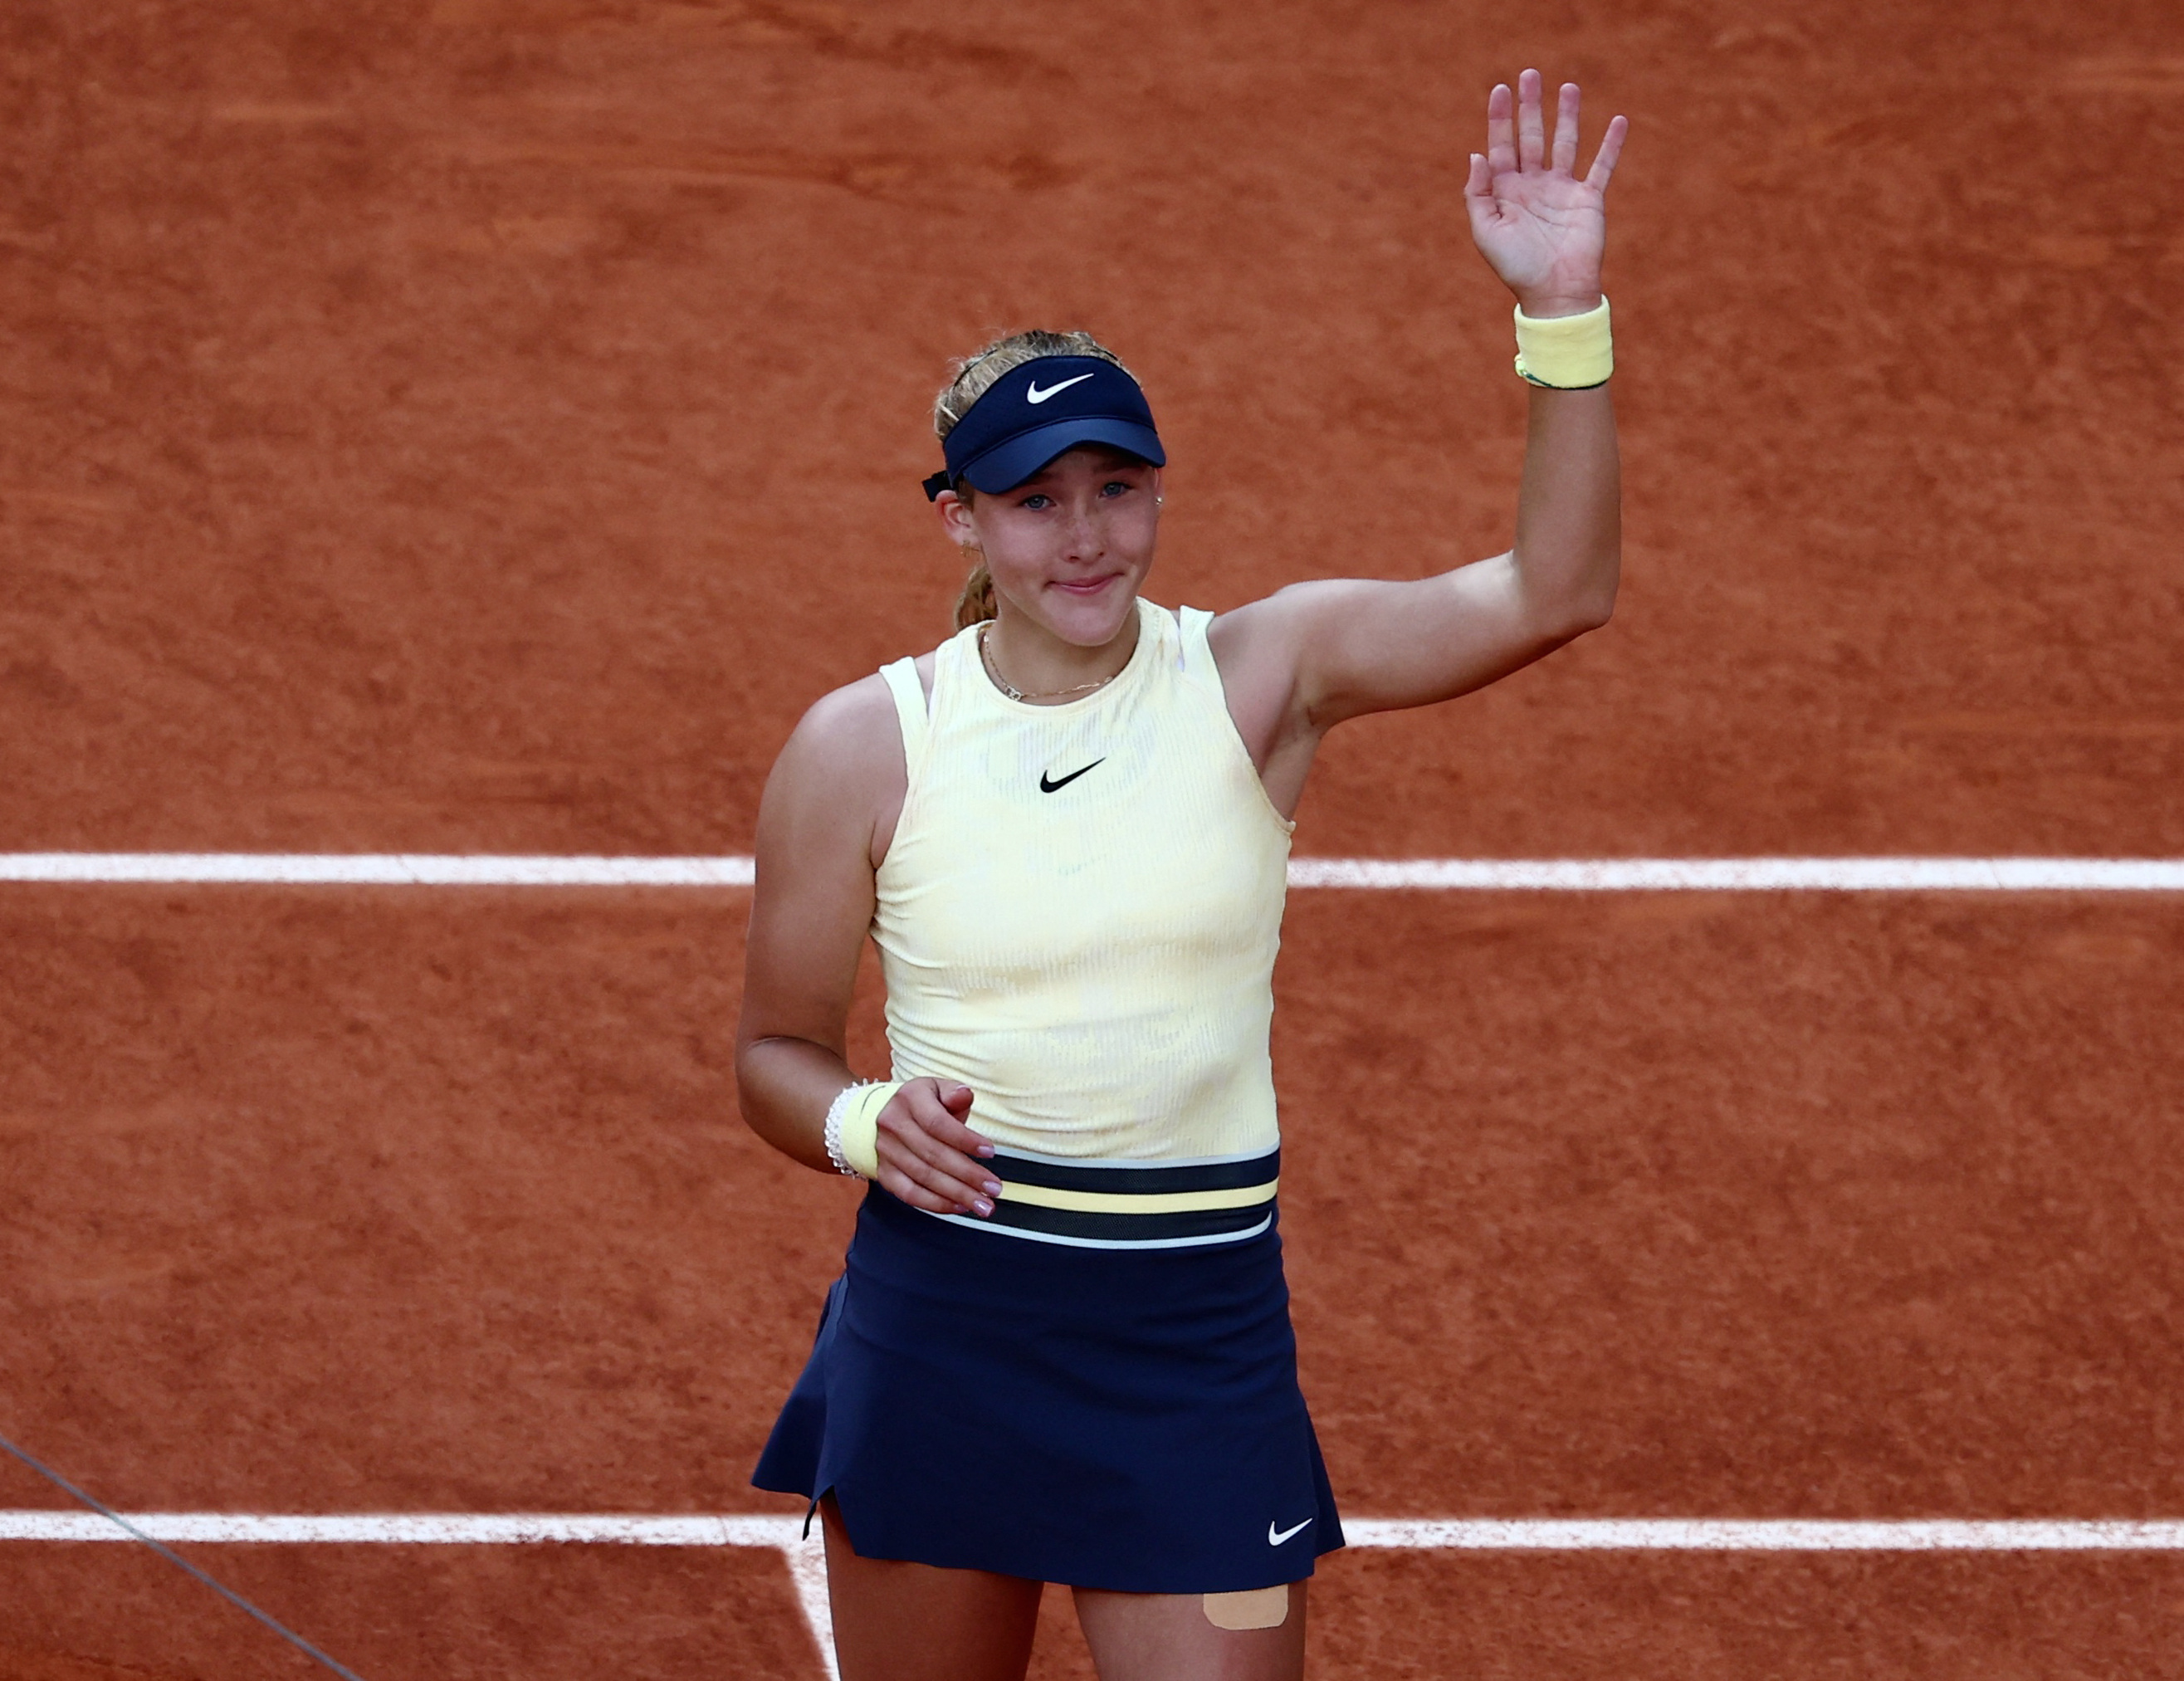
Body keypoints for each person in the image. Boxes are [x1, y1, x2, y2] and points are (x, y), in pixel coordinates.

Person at [737, 70, 1628, 1681]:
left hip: (1189, 1355)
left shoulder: (1257, 674)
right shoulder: (862, 746)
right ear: (959, 521)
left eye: (1115, 489)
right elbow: (770, 1053)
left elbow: (1552, 588)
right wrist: (864, 1120)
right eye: (1033, 502)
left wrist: (1559, 315)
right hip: (947, 1332)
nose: (1083, 538)